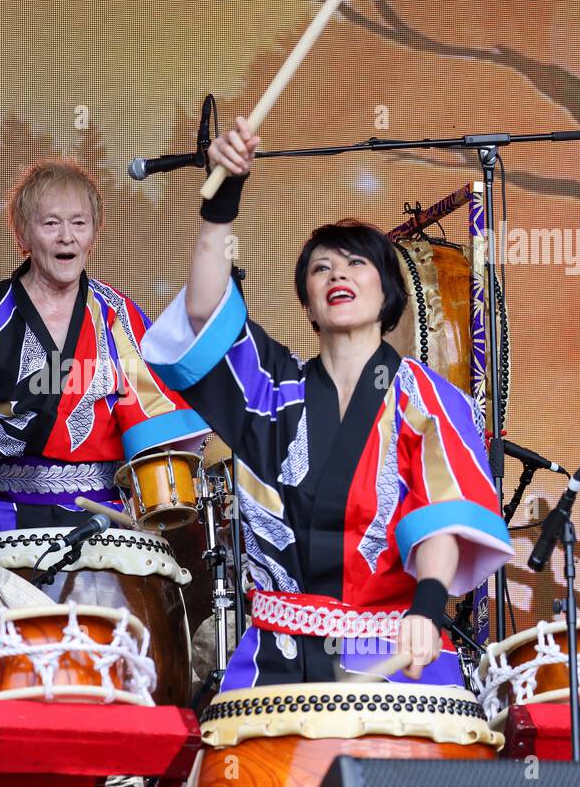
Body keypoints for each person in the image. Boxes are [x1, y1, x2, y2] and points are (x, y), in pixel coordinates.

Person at [142, 117, 513, 687]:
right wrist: (222, 202)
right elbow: (203, 312)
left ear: (388, 294)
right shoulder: (271, 389)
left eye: (355, 263)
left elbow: (443, 508)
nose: (337, 272)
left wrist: (428, 606)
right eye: (321, 267)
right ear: (310, 306)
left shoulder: (425, 396)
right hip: (276, 657)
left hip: (392, 648)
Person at [0, 158, 208, 533]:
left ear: (94, 235)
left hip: (108, 521)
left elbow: (157, 412)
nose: (67, 236)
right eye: (51, 223)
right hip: (11, 520)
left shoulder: (120, 317)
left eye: (79, 223)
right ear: (22, 236)